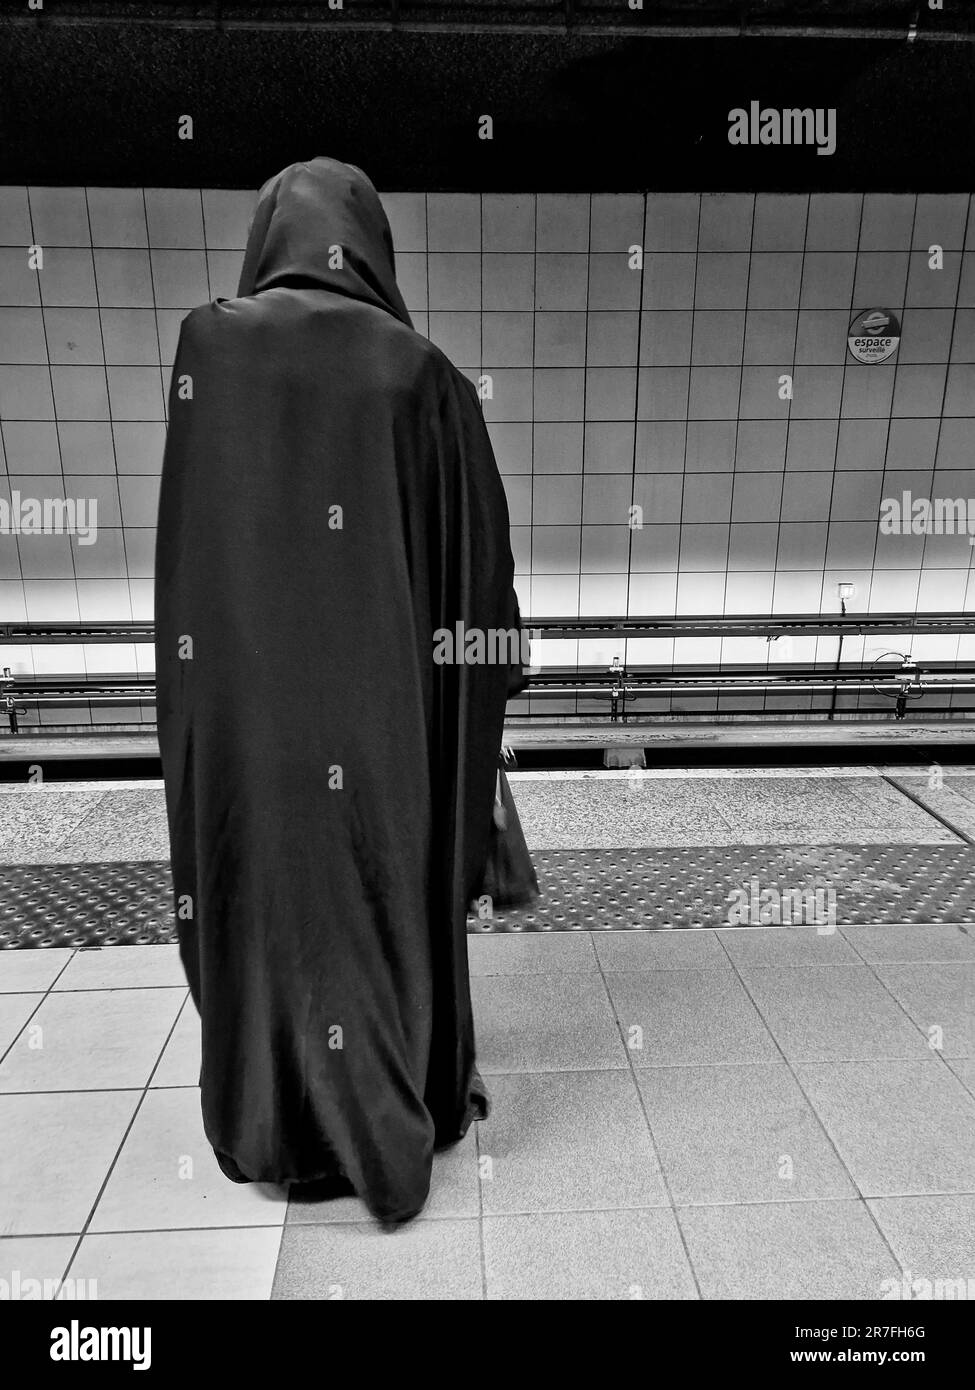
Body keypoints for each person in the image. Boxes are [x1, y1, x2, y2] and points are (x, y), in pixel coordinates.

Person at [154, 157, 524, 1223]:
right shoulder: (419, 373)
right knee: (385, 898)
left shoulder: (206, 346)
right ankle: (406, 1097)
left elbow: (192, 557)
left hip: (242, 719)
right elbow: (476, 574)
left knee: (260, 903)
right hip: (386, 727)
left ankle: (271, 1125)